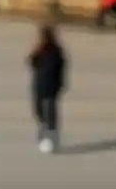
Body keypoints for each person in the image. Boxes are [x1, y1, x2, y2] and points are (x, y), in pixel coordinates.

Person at [27, 24, 66, 154]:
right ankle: (45, 132)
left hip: (51, 86)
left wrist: (60, 84)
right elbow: (31, 62)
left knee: (50, 113)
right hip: (39, 85)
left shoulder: (57, 51)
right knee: (38, 111)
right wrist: (35, 52)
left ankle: (52, 138)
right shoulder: (40, 50)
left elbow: (61, 69)